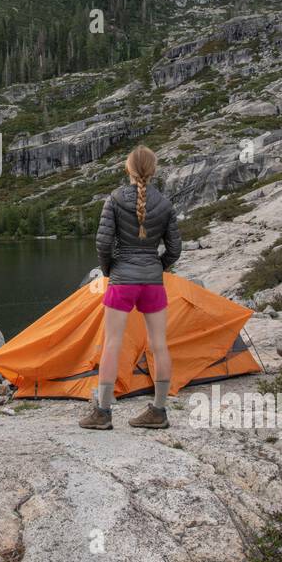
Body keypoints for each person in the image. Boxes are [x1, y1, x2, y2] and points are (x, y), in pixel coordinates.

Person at [79, 145, 182, 430]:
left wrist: (112, 269)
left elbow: (102, 243)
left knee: (112, 344)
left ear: (128, 168)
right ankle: (158, 411)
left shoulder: (114, 199)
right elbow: (175, 248)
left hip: (122, 279)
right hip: (152, 282)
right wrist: (158, 266)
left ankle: (102, 412)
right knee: (159, 345)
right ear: (153, 169)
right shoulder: (164, 202)